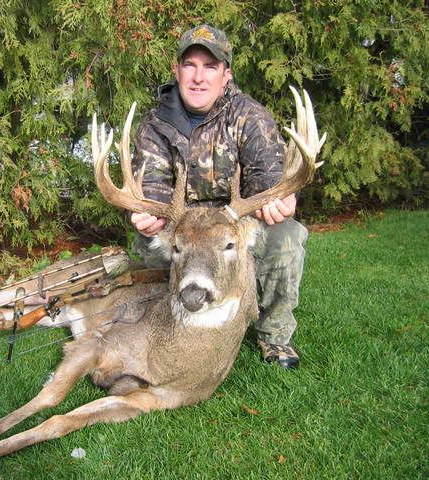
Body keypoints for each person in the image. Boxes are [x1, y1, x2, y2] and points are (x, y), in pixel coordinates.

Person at [130, 24, 309, 369]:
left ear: (226, 75)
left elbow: (269, 179)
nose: (199, 77)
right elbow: (151, 188)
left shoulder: (250, 117)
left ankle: (273, 336)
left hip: (235, 229)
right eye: (191, 66)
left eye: (210, 67)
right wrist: (147, 214)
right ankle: (169, 323)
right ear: (176, 70)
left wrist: (280, 200)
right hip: (185, 231)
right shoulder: (154, 126)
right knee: (144, 244)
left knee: (286, 237)